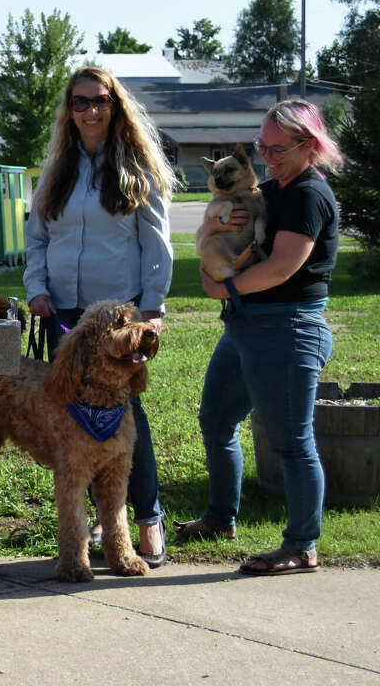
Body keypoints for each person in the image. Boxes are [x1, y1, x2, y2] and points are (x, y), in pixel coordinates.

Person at [175, 99, 341, 576]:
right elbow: (217, 223)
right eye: (263, 148)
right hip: (248, 322)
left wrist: (220, 286)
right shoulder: (269, 190)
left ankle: (301, 545)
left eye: (278, 149)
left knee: (291, 442)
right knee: (216, 419)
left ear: (309, 145)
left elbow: (282, 267)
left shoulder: (308, 195)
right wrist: (213, 226)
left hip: (287, 327)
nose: (268, 157)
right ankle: (221, 518)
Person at [24, 66, 175, 568]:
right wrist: (37, 290)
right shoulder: (56, 169)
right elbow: (39, 240)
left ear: (115, 106)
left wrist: (151, 307)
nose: (91, 111)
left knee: (129, 418)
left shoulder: (137, 166)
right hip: (66, 313)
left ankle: (147, 518)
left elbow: (156, 242)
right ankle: (99, 522)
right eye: (81, 102)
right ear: (69, 109)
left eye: (101, 101)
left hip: (119, 317)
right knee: (72, 417)